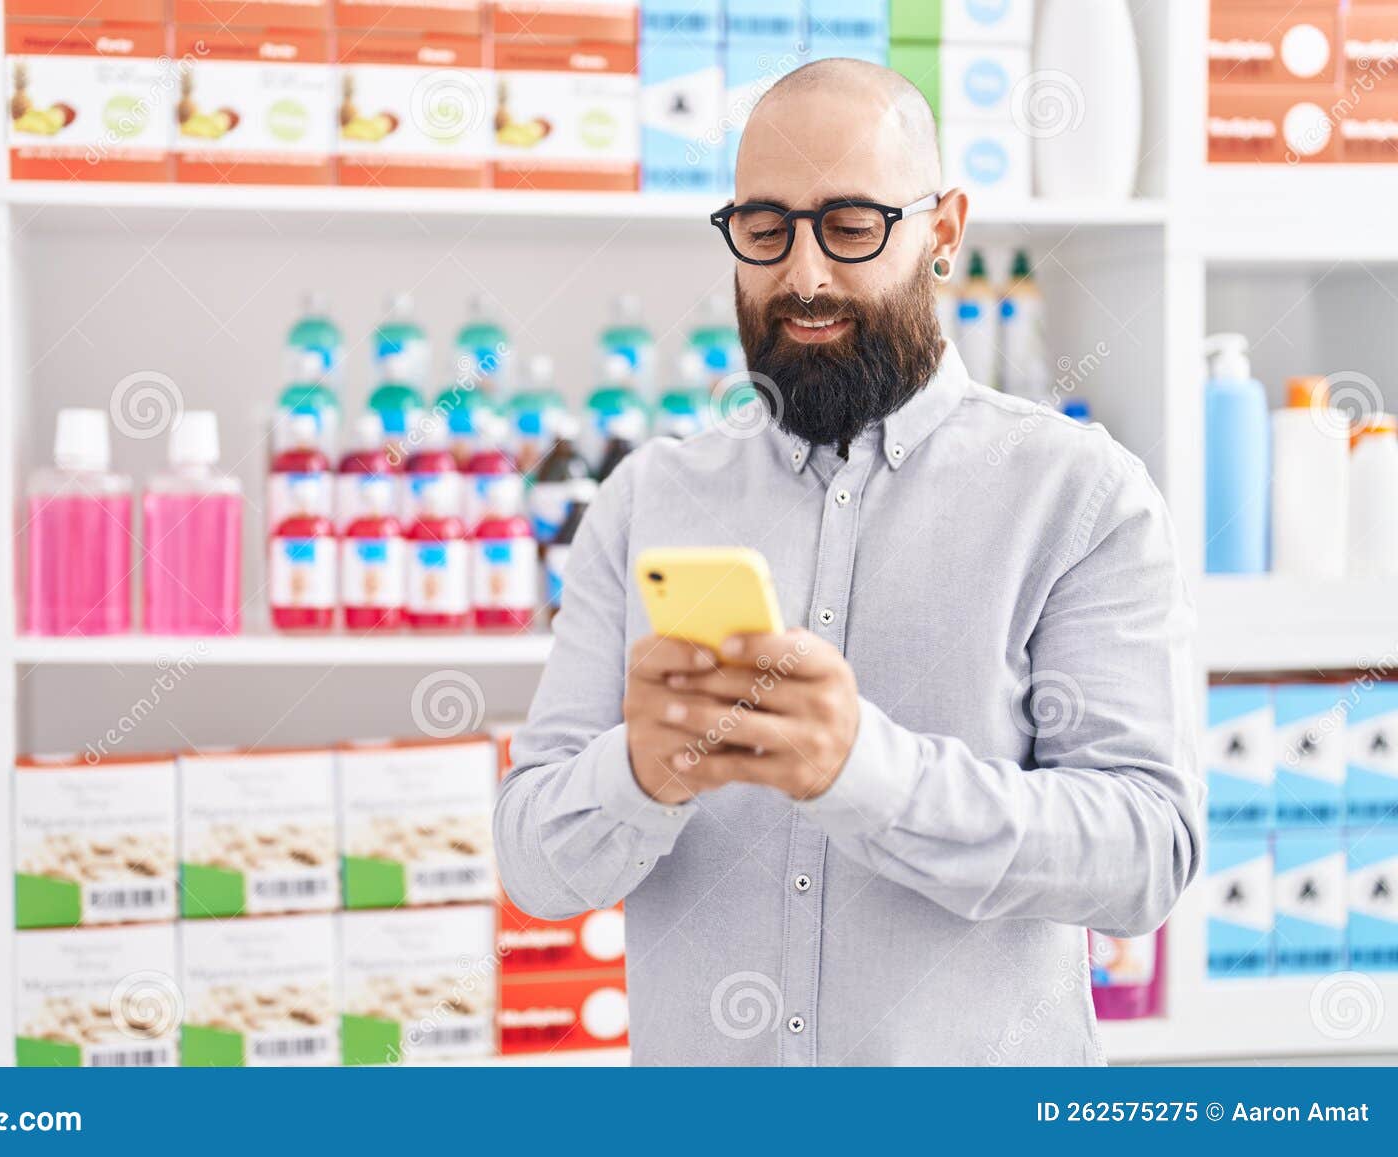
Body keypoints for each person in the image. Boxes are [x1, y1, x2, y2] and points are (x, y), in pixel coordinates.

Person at [494, 58, 1201, 1065]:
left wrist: (863, 770)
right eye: (766, 228)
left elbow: (1144, 853)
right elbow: (533, 860)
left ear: (944, 230)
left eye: (852, 225)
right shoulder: (647, 499)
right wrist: (638, 773)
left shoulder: (1078, 495)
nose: (805, 274)